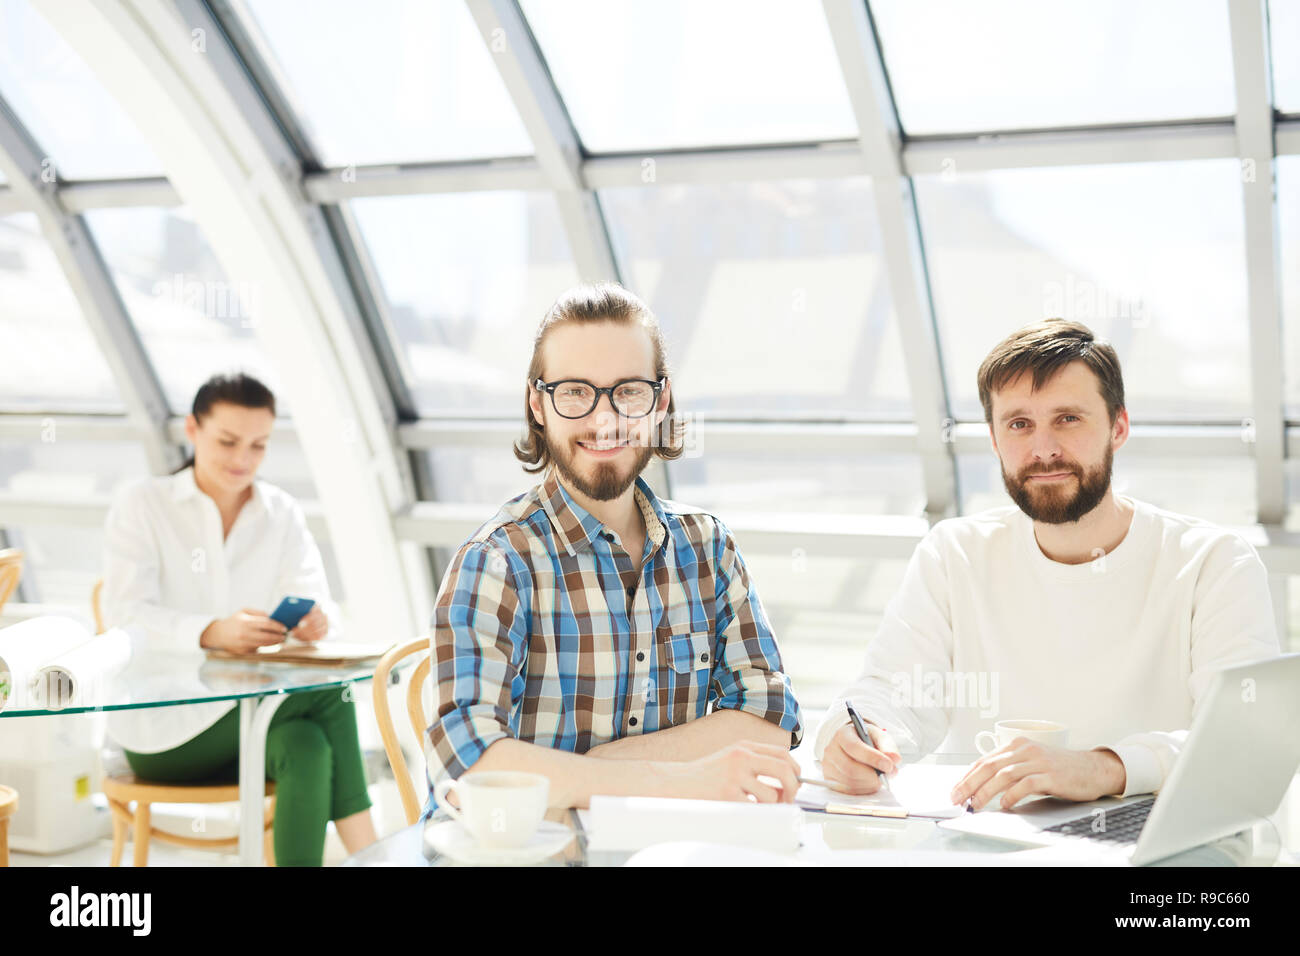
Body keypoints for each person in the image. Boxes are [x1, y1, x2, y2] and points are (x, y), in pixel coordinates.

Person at [815, 318, 1280, 811]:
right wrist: (853, 735)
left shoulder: (1213, 564)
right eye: (1019, 424)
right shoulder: (955, 555)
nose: (1043, 449)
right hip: (995, 846)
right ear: (995, 440)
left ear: (1118, 427)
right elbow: (892, 692)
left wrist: (1105, 768)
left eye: (1068, 418)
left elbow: (1243, 742)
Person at [424, 283, 804, 810]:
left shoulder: (708, 548)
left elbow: (769, 722)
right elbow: (469, 767)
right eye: (576, 391)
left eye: (628, 391)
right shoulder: (497, 561)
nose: (605, 421)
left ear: (661, 400)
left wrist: (582, 774)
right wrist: (675, 777)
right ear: (538, 403)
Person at [101, 372, 378, 865]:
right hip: (161, 730)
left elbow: (317, 601)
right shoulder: (144, 504)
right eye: (228, 441)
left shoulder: (280, 513)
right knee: (329, 695)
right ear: (191, 429)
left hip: (256, 719)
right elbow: (124, 615)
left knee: (307, 745)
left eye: (258, 446)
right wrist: (212, 632)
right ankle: (377, 856)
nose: (242, 460)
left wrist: (317, 622)